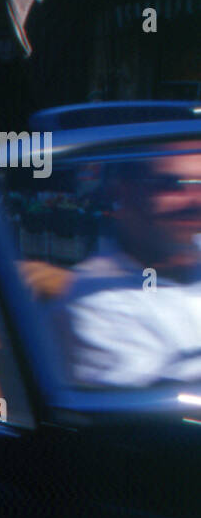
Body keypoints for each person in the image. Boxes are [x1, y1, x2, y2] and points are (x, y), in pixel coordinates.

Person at [60, 141, 201, 387]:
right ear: (124, 192)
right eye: (171, 185)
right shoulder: (95, 298)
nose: (194, 200)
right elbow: (152, 409)